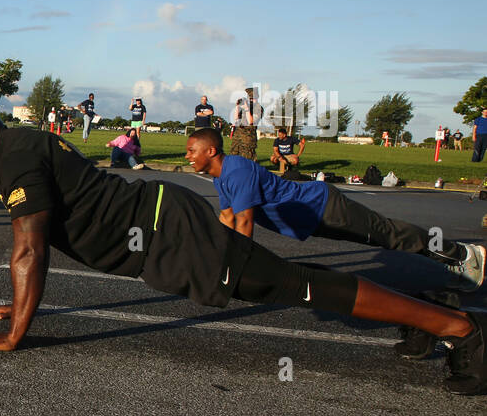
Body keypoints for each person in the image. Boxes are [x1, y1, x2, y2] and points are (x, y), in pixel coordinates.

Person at [0, 107, 487, 395]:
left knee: (298, 287)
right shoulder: (14, 146)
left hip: (169, 237)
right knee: (296, 284)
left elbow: (29, 252)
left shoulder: (16, 155)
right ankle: (429, 308)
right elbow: (30, 248)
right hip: (161, 230)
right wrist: (17, 303)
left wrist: (15, 330)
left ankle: (459, 328)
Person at [186, 127, 485, 296]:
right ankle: (454, 257)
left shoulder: (236, 171)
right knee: (383, 238)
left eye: (191, 151)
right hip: (311, 219)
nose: (187, 157)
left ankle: (463, 255)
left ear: (210, 151)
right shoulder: (221, 175)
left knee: (388, 234)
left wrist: (235, 269)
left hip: (324, 207)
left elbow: (245, 221)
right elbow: (228, 218)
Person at [229, 88, 261, 160]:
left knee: (246, 159)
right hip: (238, 137)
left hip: (248, 138)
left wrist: (247, 109)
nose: (251, 100)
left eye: (253, 98)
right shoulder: (245, 106)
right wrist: (237, 106)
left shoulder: (258, 108)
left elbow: (251, 121)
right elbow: (236, 119)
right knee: (233, 157)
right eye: (250, 98)